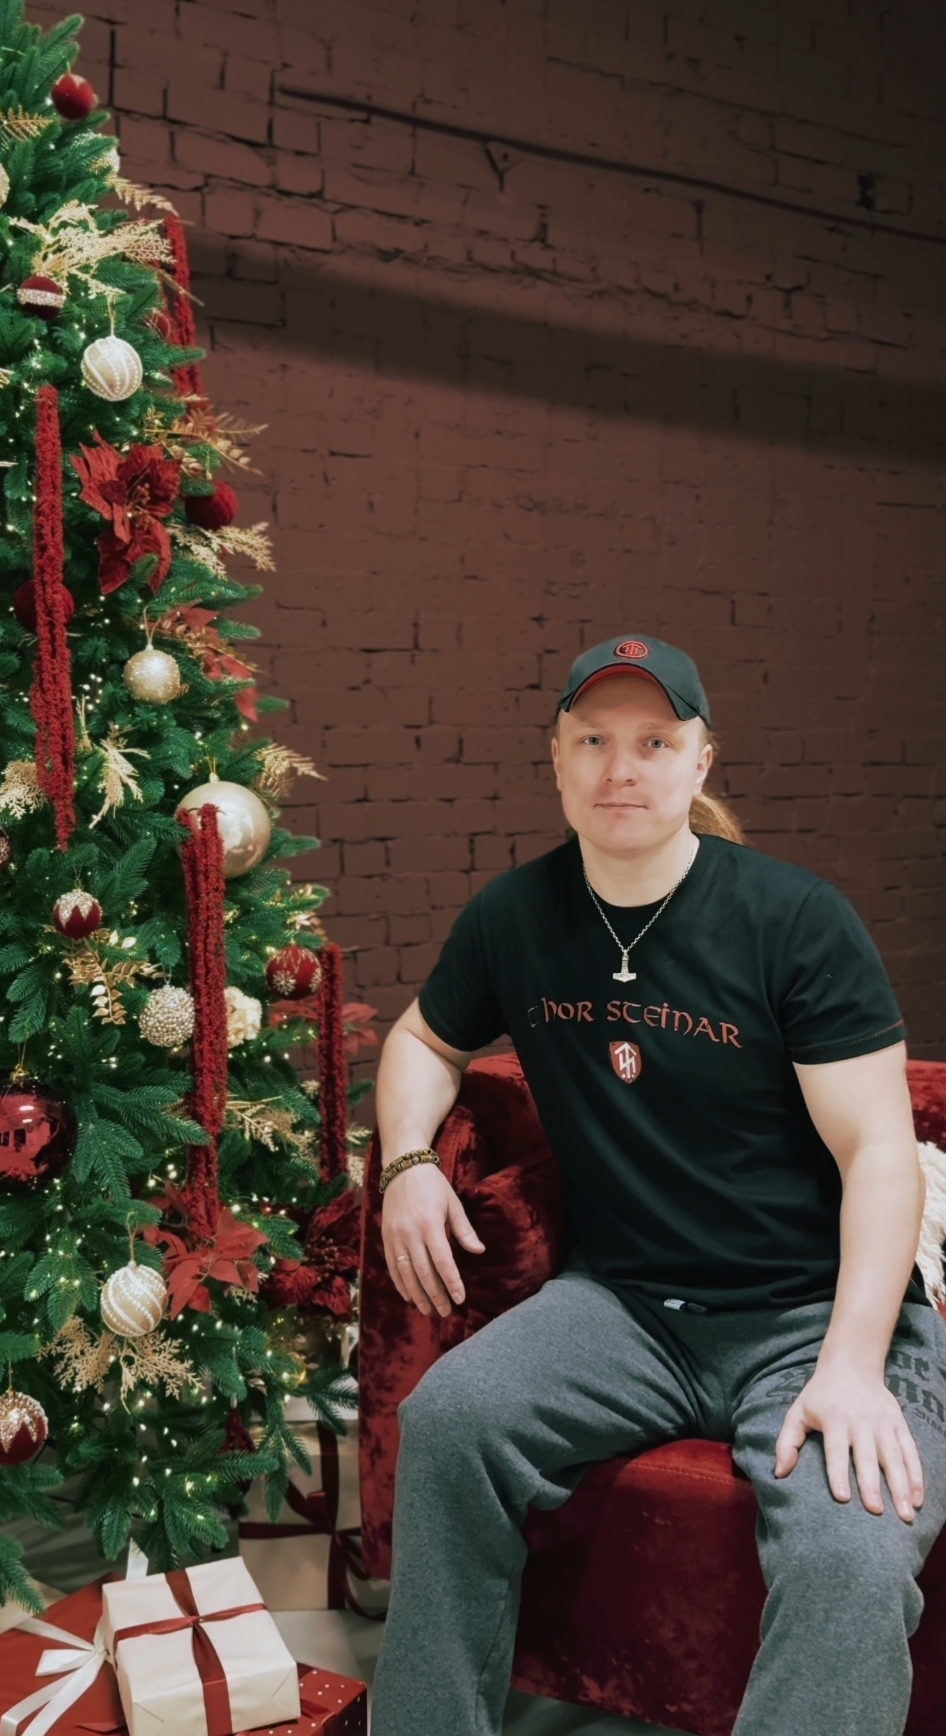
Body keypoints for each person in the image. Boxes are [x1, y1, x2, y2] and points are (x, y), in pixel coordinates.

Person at [369, 634, 946, 1736]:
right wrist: (406, 1161)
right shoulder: (515, 916)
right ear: (555, 759)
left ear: (699, 760)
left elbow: (879, 1148)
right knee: (448, 1421)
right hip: (627, 1307)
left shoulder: (792, 919)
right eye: (593, 740)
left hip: (812, 1311)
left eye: (653, 742)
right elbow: (421, 1040)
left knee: (852, 1549)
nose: (619, 768)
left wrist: (852, 1364)